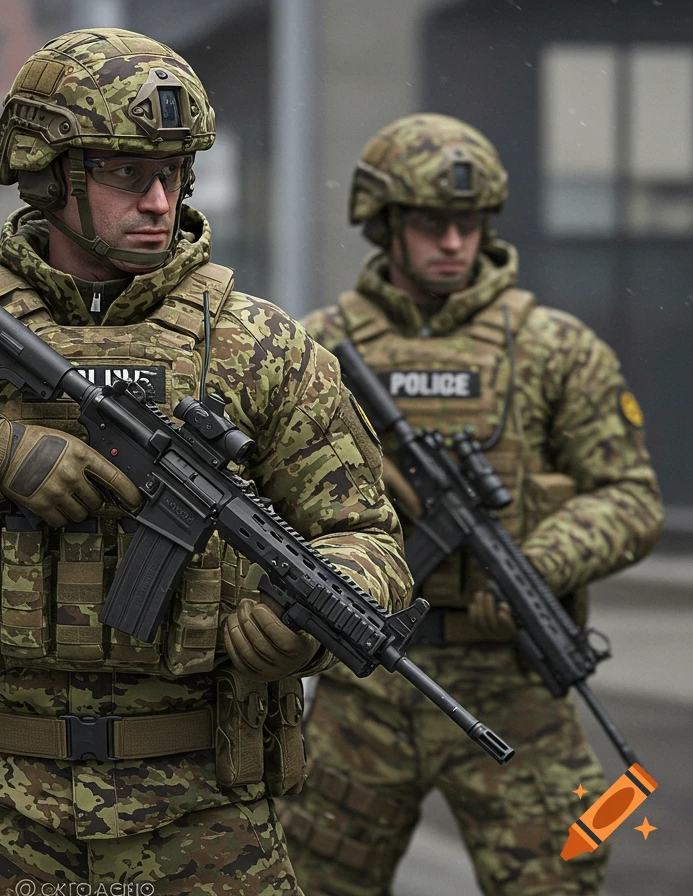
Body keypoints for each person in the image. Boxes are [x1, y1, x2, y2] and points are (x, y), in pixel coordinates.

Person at [0, 28, 411, 895]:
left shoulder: (260, 345)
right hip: (5, 815)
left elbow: (368, 537)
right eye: (124, 173)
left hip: (211, 819)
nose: (160, 200)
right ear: (49, 174)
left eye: (175, 172)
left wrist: (312, 606)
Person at [282, 113, 664, 895]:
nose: (454, 242)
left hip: (514, 676)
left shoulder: (553, 348)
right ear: (386, 224)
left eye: (469, 224)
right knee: (310, 876)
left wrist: (539, 562)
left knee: (562, 873)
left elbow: (630, 496)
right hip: (368, 687)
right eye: (431, 223)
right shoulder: (315, 349)